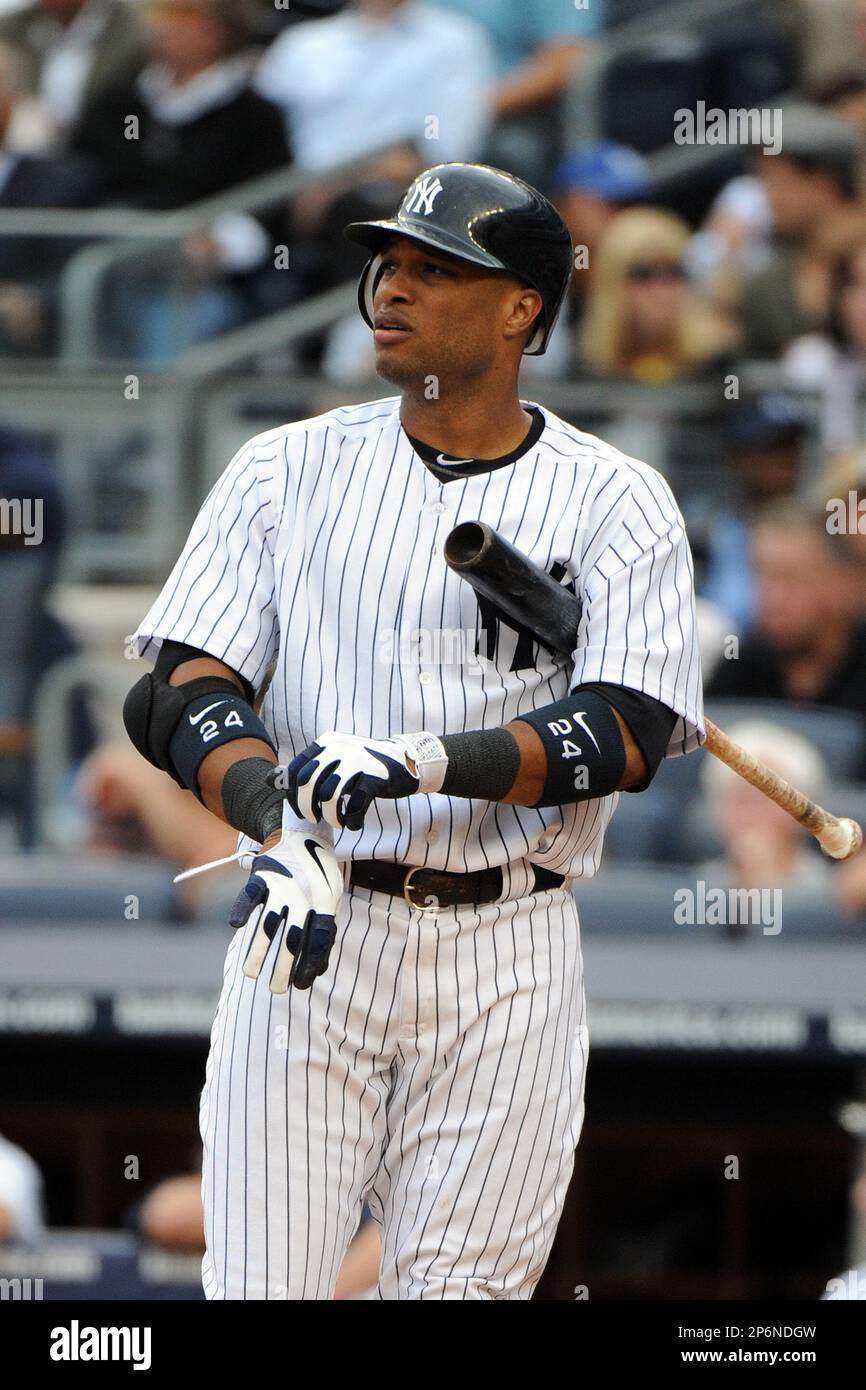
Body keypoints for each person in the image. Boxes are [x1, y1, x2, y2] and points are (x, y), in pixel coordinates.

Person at [123, 161, 704, 1300]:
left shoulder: (617, 497)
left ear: (520, 306)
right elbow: (180, 690)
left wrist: (425, 763)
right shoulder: (283, 469)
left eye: (435, 269)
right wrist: (269, 822)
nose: (391, 286)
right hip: (309, 923)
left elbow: (627, 730)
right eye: (387, 263)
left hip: (506, 948)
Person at [706, 499, 866, 725]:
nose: (771, 595)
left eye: (790, 576)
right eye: (761, 574)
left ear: (839, 581)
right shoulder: (742, 665)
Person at [434, 0, 604, 186]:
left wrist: (469, 110)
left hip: (513, 114)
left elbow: (567, 57)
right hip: (421, 105)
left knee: (512, 152)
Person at [576, 206, 739, 384]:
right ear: (613, 283)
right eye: (644, 274)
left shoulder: (719, 370)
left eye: (673, 272)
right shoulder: (582, 374)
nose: (661, 290)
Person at [0, 0, 146, 140]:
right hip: (30, 149)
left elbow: (133, 116)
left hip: (103, 144)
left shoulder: (127, 29)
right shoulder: (13, 28)